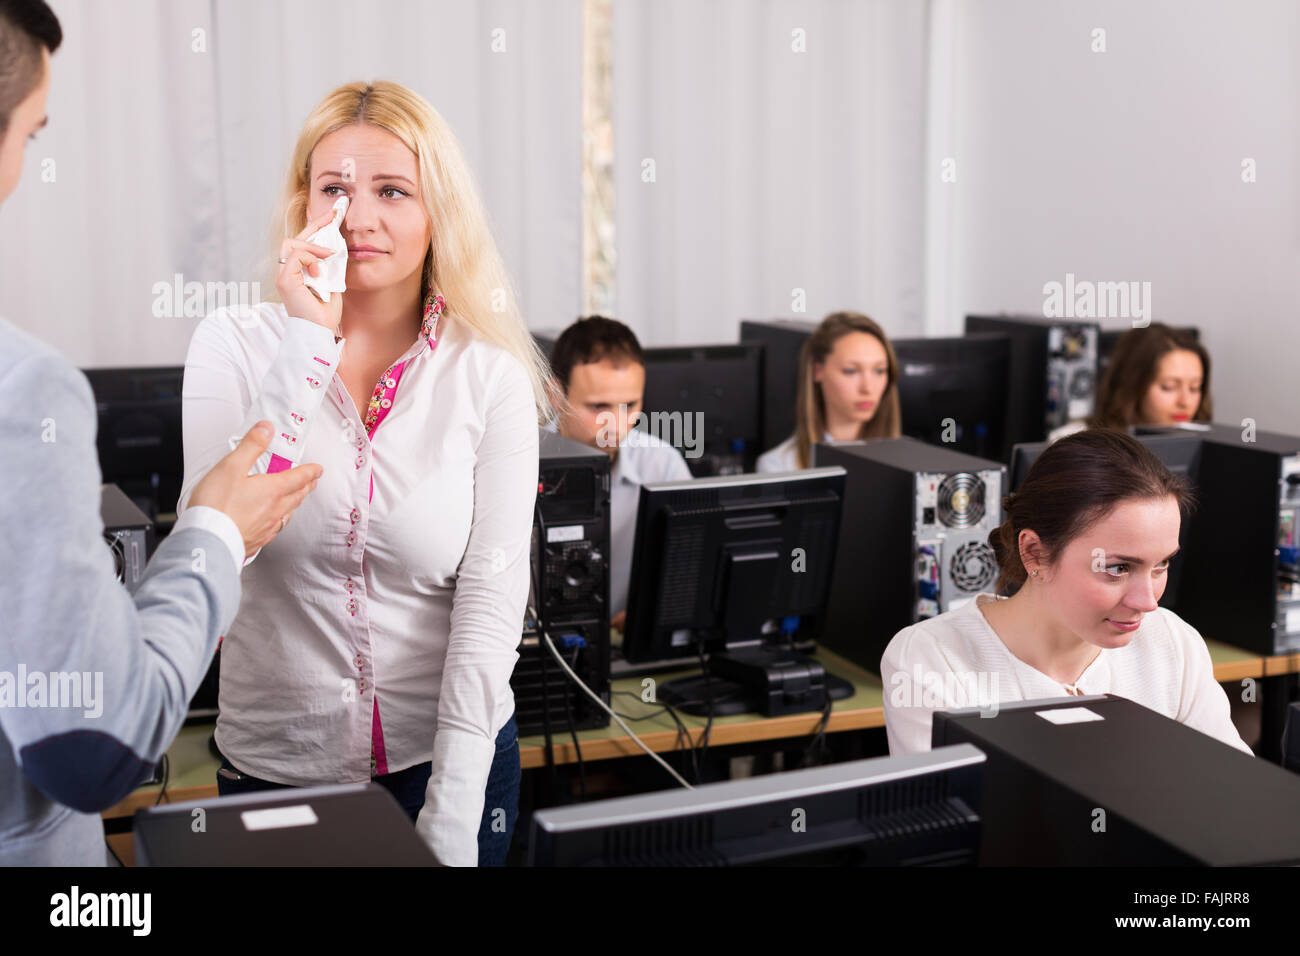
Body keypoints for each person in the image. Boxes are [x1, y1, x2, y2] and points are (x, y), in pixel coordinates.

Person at [177, 81, 548, 867]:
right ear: (304, 206)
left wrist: (450, 820)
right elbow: (214, 555)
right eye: (335, 190)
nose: (362, 216)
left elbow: (490, 599)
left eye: (393, 190)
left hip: (451, 765)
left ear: (436, 210)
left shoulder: (489, 375)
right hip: (280, 775)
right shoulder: (231, 346)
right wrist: (306, 347)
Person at [0, 0, 321, 866]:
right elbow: (92, 747)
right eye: (31, 136)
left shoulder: (478, 367)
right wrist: (215, 531)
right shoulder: (24, 391)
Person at [880, 429, 1252, 757]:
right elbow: (955, 828)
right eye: (1118, 568)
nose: (1148, 601)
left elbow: (1233, 792)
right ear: (1034, 553)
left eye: (1161, 565)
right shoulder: (932, 659)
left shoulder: (1172, 643)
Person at [548, 316, 692, 632]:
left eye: (629, 404)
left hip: (622, 648)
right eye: (599, 406)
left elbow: (690, 568)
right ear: (555, 395)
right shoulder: (514, 462)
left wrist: (660, 609)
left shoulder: (662, 465)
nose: (616, 425)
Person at [756, 311, 902, 472]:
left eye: (879, 371)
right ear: (818, 371)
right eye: (850, 371)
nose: (868, 388)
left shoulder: (908, 457)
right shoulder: (780, 466)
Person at [1048, 323, 1212, 442]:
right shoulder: (1073, 443)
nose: (1185, 402)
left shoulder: (1202, 443)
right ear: (1132, 386)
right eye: (1168, 387)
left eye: (1194, 388)